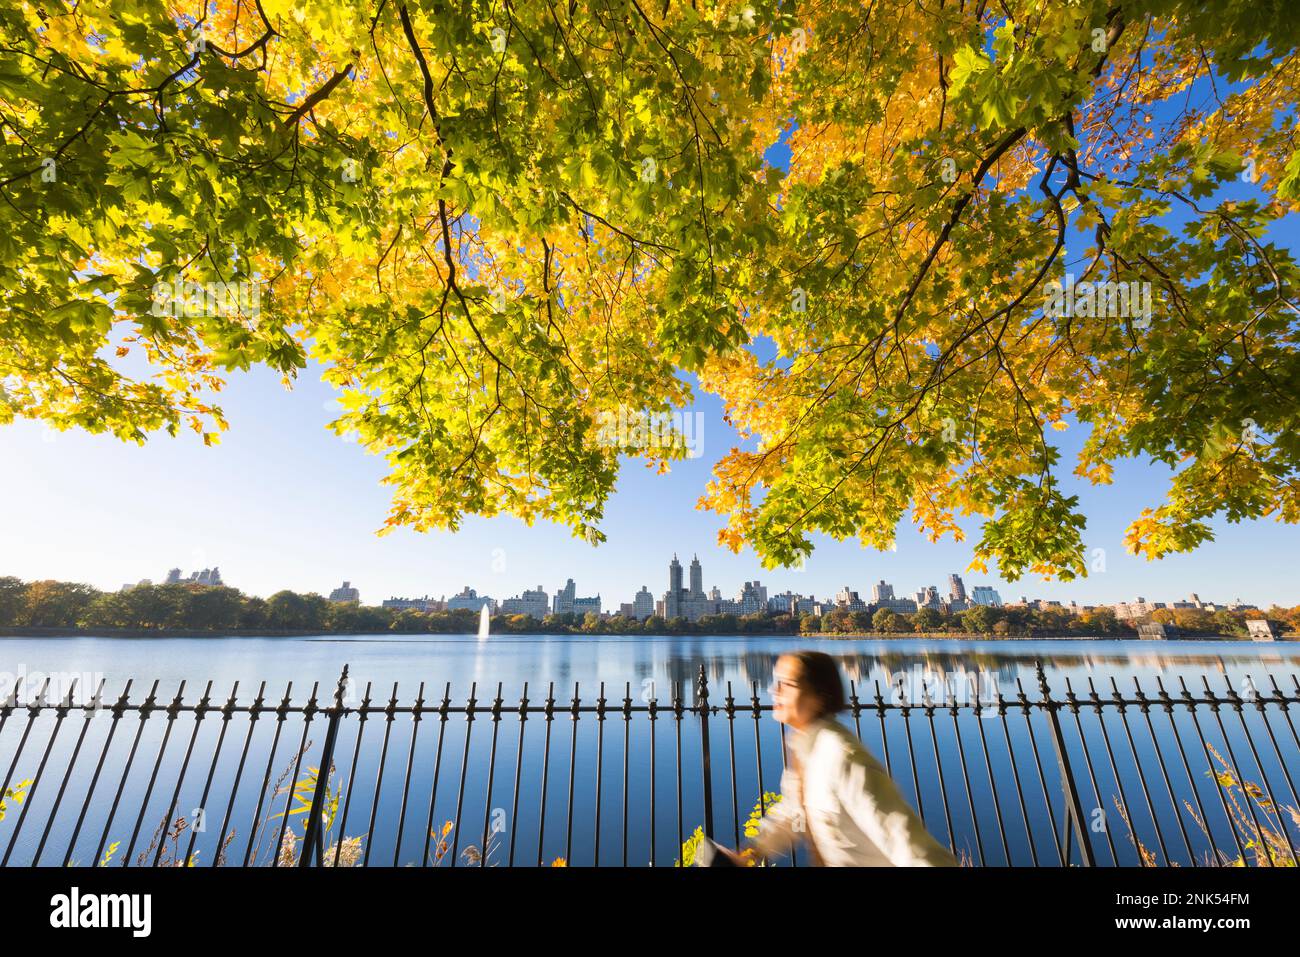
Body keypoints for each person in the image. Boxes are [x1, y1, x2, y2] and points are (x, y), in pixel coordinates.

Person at [722, 651, 958, 867]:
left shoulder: (843, 758)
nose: (775, 690)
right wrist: (750, 852)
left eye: (788, 684)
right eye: (776, 681)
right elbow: (795, 813)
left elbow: (904, 840)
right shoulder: (805, 749)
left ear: (819, 697)